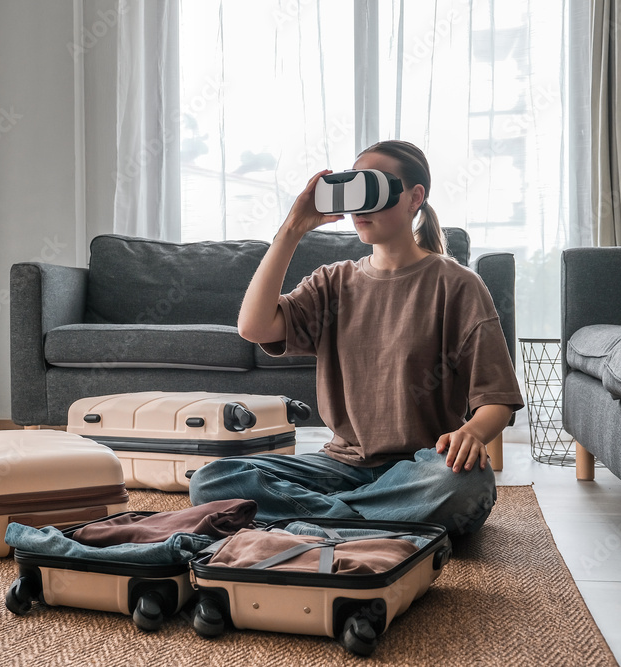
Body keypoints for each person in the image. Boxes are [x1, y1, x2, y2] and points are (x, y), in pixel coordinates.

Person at [189, 140, 524, 536]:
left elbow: (497, 400)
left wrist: (470, 434)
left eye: (374, 189)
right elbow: (254, 327)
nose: (359, 208)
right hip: (339, 466)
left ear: (415, 197)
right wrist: (294, 228)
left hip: (422, 466)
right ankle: (375, 524)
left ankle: (314, 523)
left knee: (464, 484)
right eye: (353, 190)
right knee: (212, 480)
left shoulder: (457, 285)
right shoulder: (333, 282)